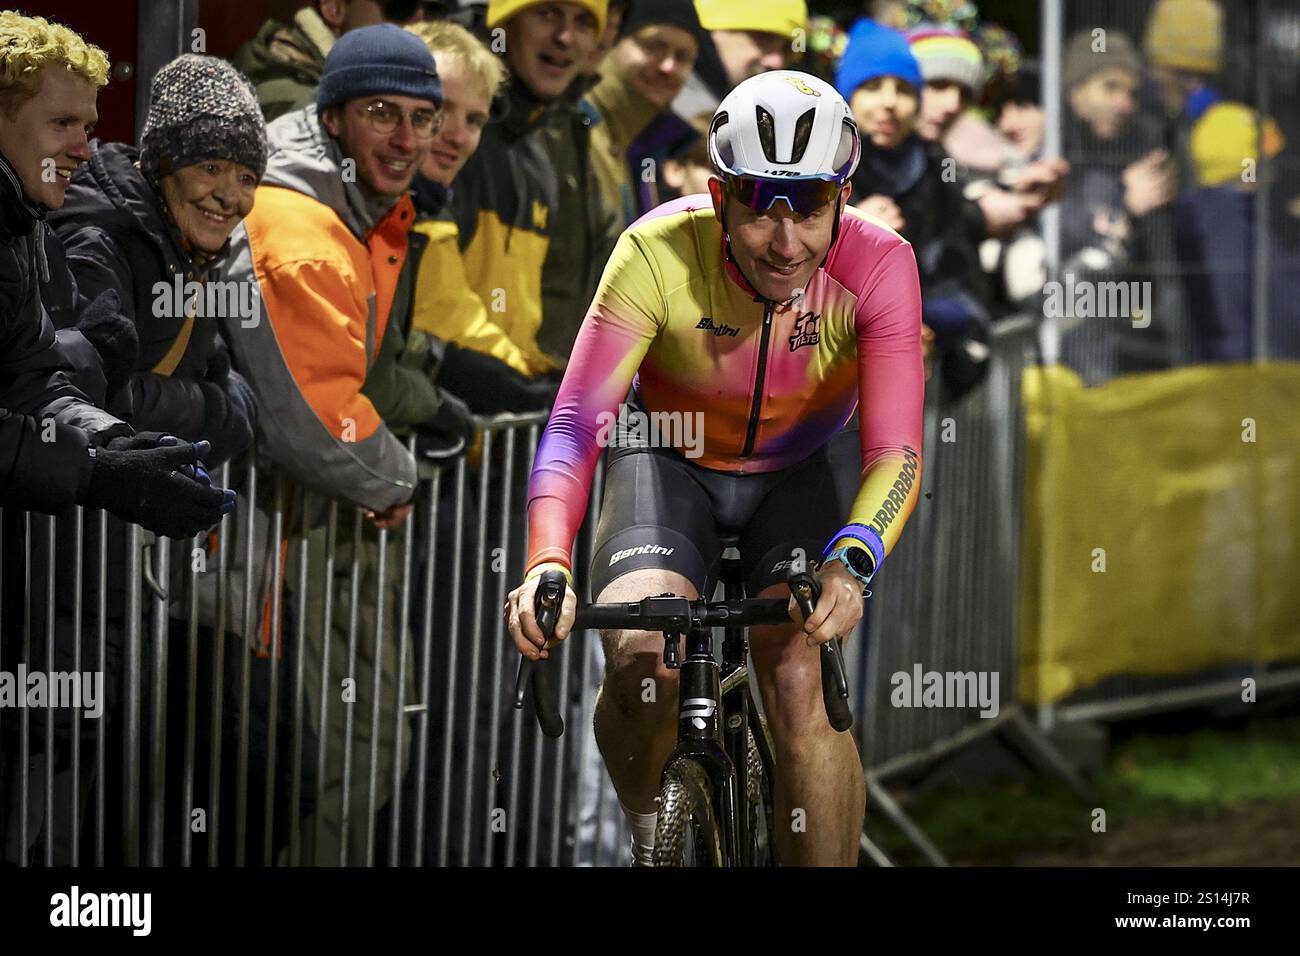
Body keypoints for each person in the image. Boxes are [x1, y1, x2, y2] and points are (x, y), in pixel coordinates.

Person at [505, 70, 925, 866]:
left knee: (800, 678)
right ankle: (664, 836)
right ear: (718, 191)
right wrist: (547, 562)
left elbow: (897, 451)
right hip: (666, 456)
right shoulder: (655, 250)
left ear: (843, 197)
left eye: (810, 207)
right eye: (760, 203)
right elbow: (574, 422)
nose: (786, 240)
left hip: (797, 471)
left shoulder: (880, 264)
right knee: (640, 665)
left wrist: (852, 561)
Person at [220, 22, 448, 865]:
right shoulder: (302, 229)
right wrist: (400, 478)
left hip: (311, 524)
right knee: (342, 756)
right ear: (334, 116)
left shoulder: (351, 208)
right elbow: (319, 418)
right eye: (383, 113)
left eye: (421, 118)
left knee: (335, 757)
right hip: (293, 530)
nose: (407, 139)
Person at [0, 11, 232, 532]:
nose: (84, 150)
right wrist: (94, 471)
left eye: (88, 128)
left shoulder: (25, 224)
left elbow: (31, 381)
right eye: (62, 124)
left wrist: (114, 439)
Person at [50, 54, 264, 468]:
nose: (229, 196)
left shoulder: (183, 236)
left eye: (246, 178)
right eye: (210, 167)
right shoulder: (100, 236)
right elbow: (93, 397)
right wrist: (213, 410)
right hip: (73, 522)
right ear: (161, 163)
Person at [430, 0, 607, 375]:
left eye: (584, 22)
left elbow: (517, 319)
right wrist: (523, 384)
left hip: (489, 421)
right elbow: (435, 303)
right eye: (546, 13)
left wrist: (542, 377)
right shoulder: (451, 138)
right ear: (504, 22)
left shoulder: (538, 156)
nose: (565, 37)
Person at [405, 19, 560, 414]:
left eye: (475, 120)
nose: (458, 136)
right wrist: (536, 391)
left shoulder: (427, 200)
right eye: (440, 110)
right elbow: (444, 319)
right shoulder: (398, 209)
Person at [839, 18, 991, 399]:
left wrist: (929, 323)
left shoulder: (935, 170)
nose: (889, 102)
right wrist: (850, 225)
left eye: (904, 89)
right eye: (872, 87)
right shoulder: (822, 166)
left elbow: (956, 272)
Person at [587, 0, 702, 226]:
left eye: (682, 56)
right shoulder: (579, 125)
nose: (667, 66)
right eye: (653, 46)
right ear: (612, 42)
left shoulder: (639, 148)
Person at [234, 0, 425, 122]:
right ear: (334, 8)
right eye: (402, 7)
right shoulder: (291, 105)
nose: (419, 19)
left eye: (430, 8)